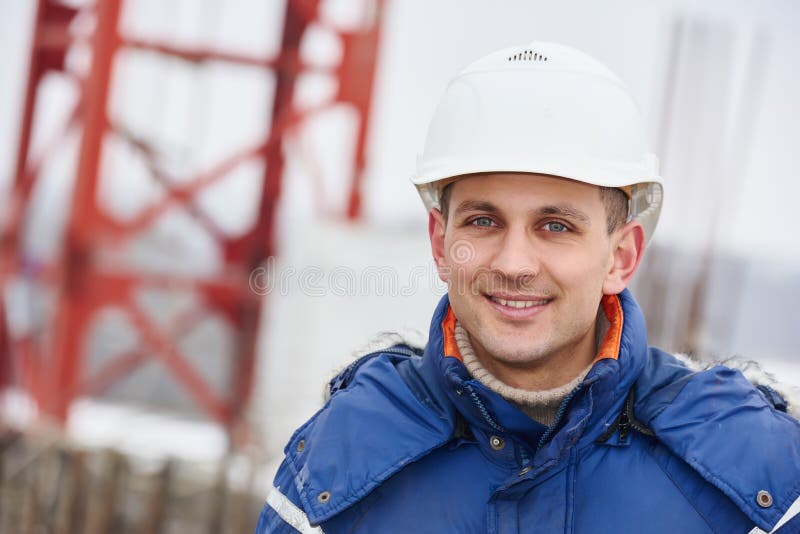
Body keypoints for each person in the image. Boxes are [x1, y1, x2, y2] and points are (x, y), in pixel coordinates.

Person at [255, 42, 800, 533]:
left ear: (622, 256)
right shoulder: (334, 469)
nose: (514, 264)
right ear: (441, 244)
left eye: (556, 226)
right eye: (483, 222)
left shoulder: (757, 481)